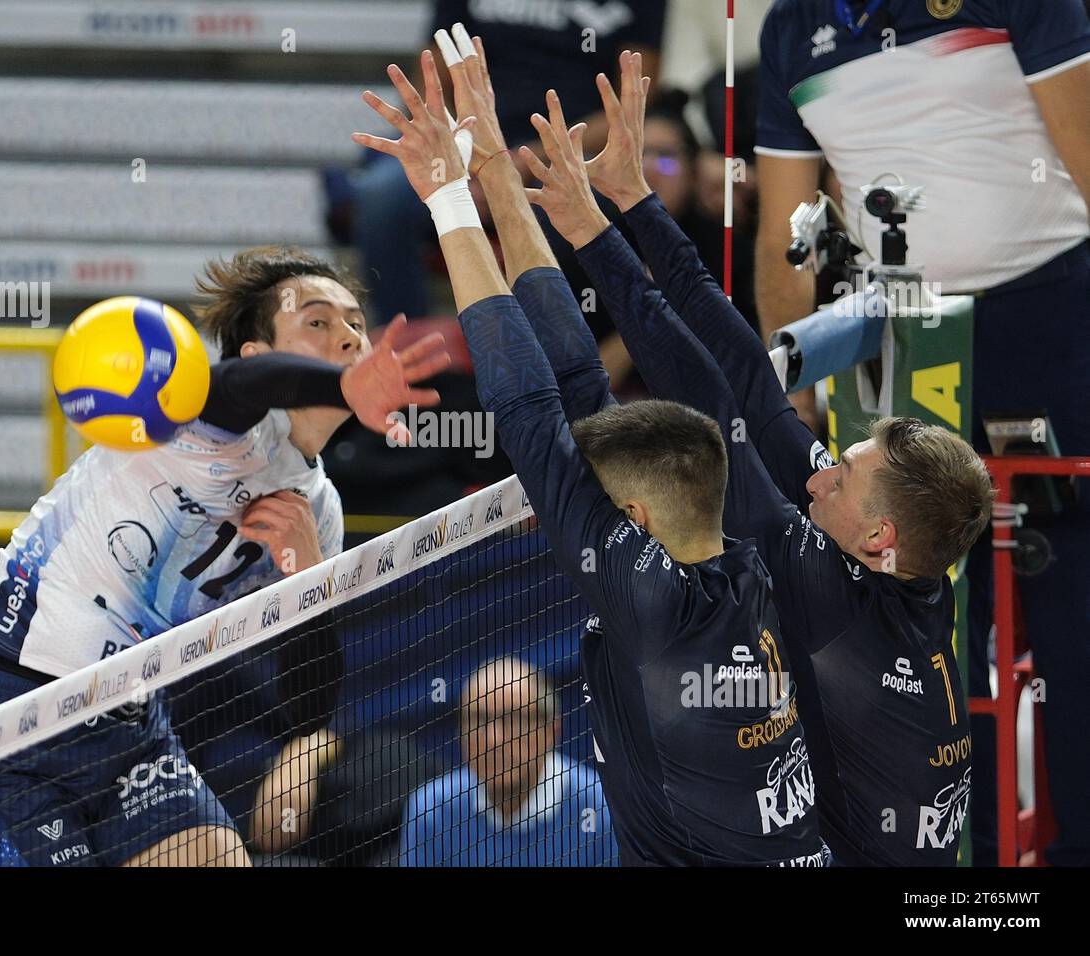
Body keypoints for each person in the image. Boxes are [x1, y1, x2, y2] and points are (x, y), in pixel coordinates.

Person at [353, 41, 829, 866]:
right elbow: (575, 385)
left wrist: (447, 200)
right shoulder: (745, 569)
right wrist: (492, 167)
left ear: (634, 518)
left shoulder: (656, 597)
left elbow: (526, 399)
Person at [527, 49, 993, 864]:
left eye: (841, 477)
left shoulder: (833, 598)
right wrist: (635, 198)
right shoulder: (908, 565)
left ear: (877, 536)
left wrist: (590, 235)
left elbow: (712, 406)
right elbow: (748, 377)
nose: (819, 476)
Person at [0, 248, 451, 867]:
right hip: (8, 706)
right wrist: (340, 386)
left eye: (355, 322)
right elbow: (235, 384)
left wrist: (309, 585)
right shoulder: (199, 417)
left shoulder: (321, 512)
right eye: (317, 320)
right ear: (260, 352)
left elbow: (307, 707)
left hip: (128, 721)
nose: (348, 335)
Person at [753, 0, 1090, 866]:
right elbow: (780, 235)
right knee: (908, 629)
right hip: (902, 340)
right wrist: (783, 401)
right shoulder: (791, 27)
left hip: (1051, 319)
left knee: (1070, 601)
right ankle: (948, 873)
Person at [352, 0, 666, 325]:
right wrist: (465, 152)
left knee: (566, 219)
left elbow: (634, 101)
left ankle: (546, 361)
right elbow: (430, 78)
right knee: (382, 197)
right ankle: (407, 349)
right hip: (465, 145)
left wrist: (524, 161)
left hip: (567, 155)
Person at [400, 656, 617, 866]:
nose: (494, 739)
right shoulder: (431, 812)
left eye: (514, 719)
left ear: (552, 730)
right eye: (479, 720)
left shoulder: (602, 810)